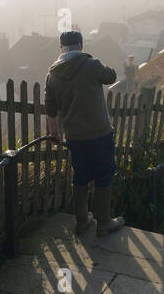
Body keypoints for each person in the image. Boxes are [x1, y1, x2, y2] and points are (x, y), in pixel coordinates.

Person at [44, 30, 124, 236]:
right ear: (80, 44)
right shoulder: (91, 65)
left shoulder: (52, 75)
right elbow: (112, 76)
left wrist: (55, 134)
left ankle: (82, 221)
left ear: (61, 48)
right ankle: (104, 222)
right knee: (104, 175)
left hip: (74, 136)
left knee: (80, 176)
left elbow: (51, 110)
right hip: (99, 132)